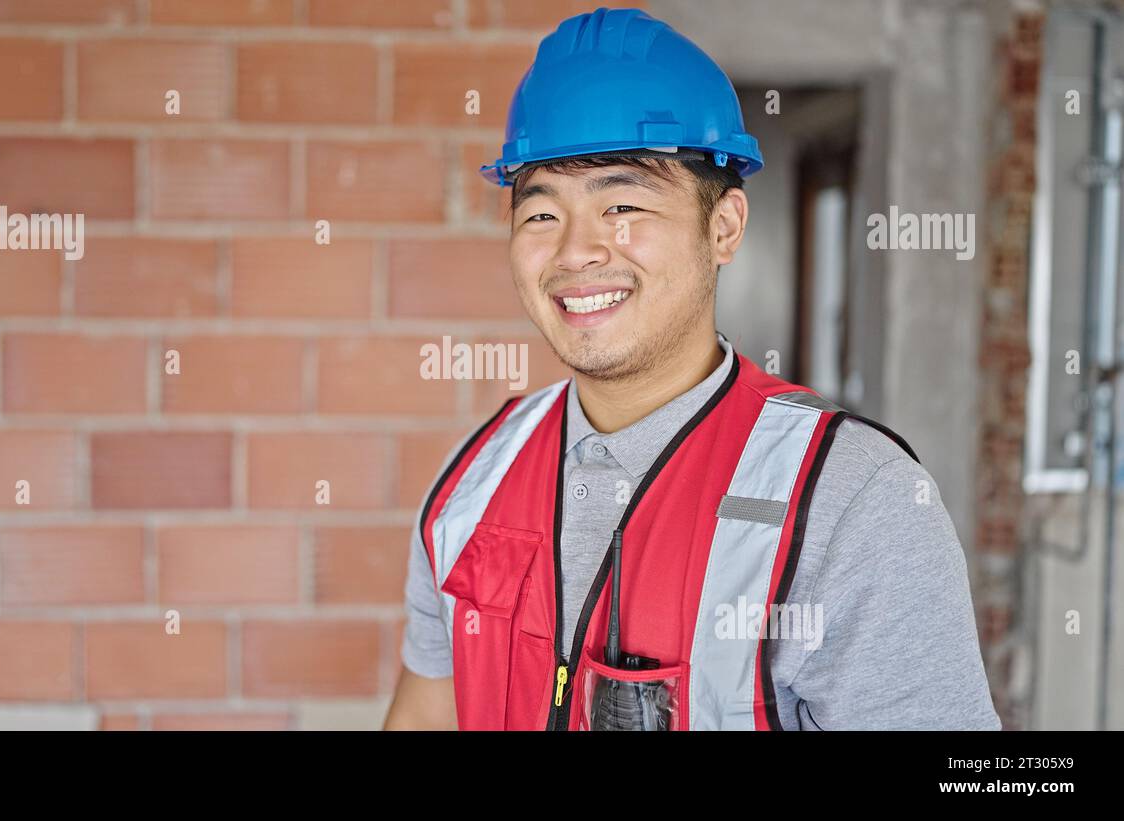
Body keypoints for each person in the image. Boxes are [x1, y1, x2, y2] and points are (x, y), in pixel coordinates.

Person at [383, 6, 1000, 731]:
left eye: (622, 204)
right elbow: (426, 710)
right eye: (541, 214)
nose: (576, 251)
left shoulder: (854, 503)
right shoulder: (472, 482)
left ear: (725, 227)